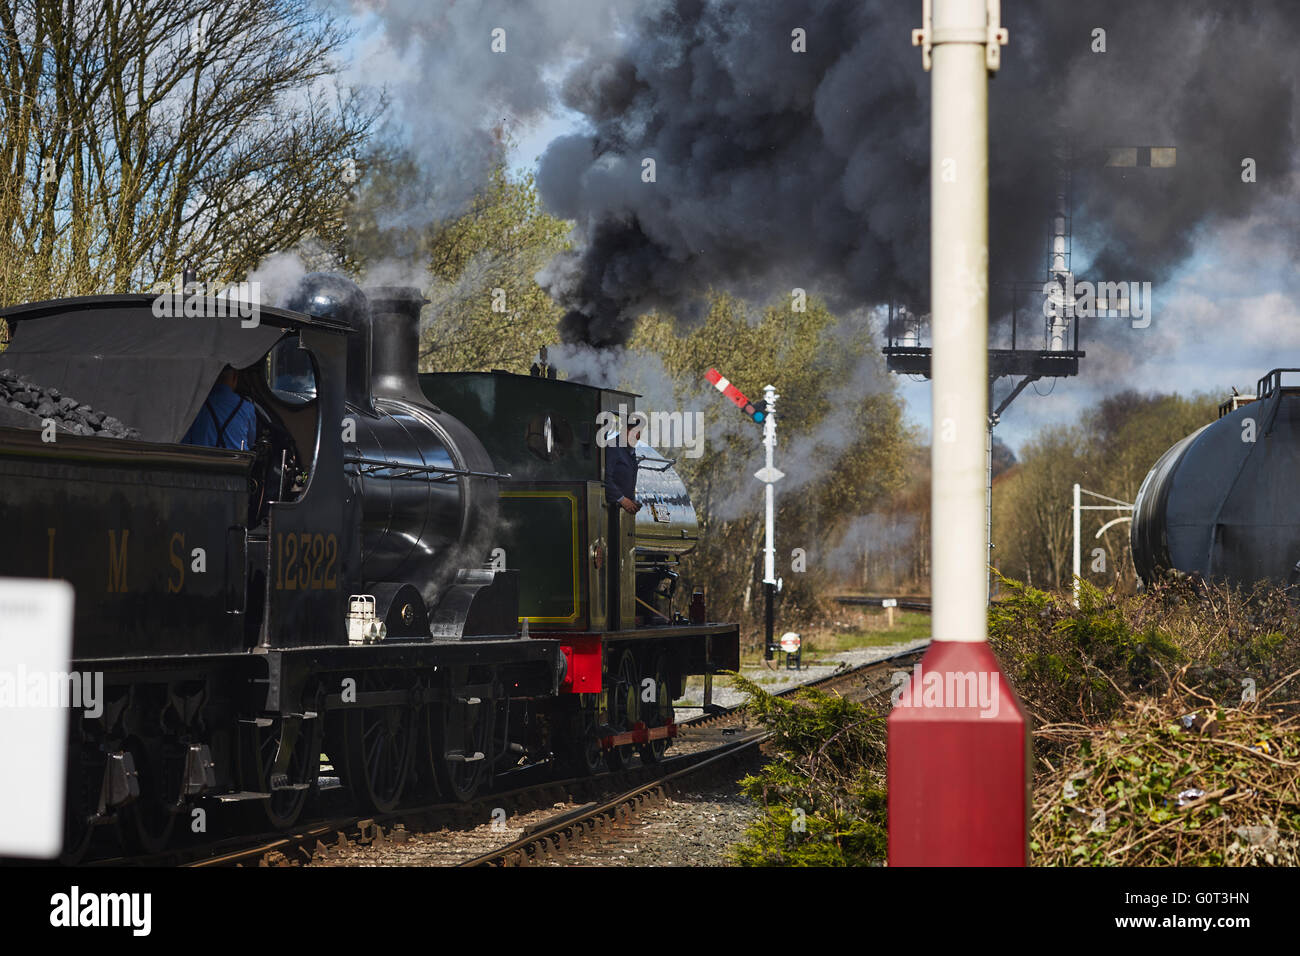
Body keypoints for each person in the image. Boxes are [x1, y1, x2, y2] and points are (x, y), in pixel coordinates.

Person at [181, 365, 256, 451]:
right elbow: (250, 442)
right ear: (235, 377)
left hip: (203, 461)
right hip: (236, 462)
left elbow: (184, 440)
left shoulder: (196, 405)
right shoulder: (246, 406)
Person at [604, 412, 646, 514]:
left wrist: (631, 500)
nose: (638, 437)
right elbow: (605, 478)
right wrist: (622, 499)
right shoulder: (613, 448)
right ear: (625, 431)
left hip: (619, 510)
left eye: (639, 433)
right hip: (609, 508)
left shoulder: (630, 451)